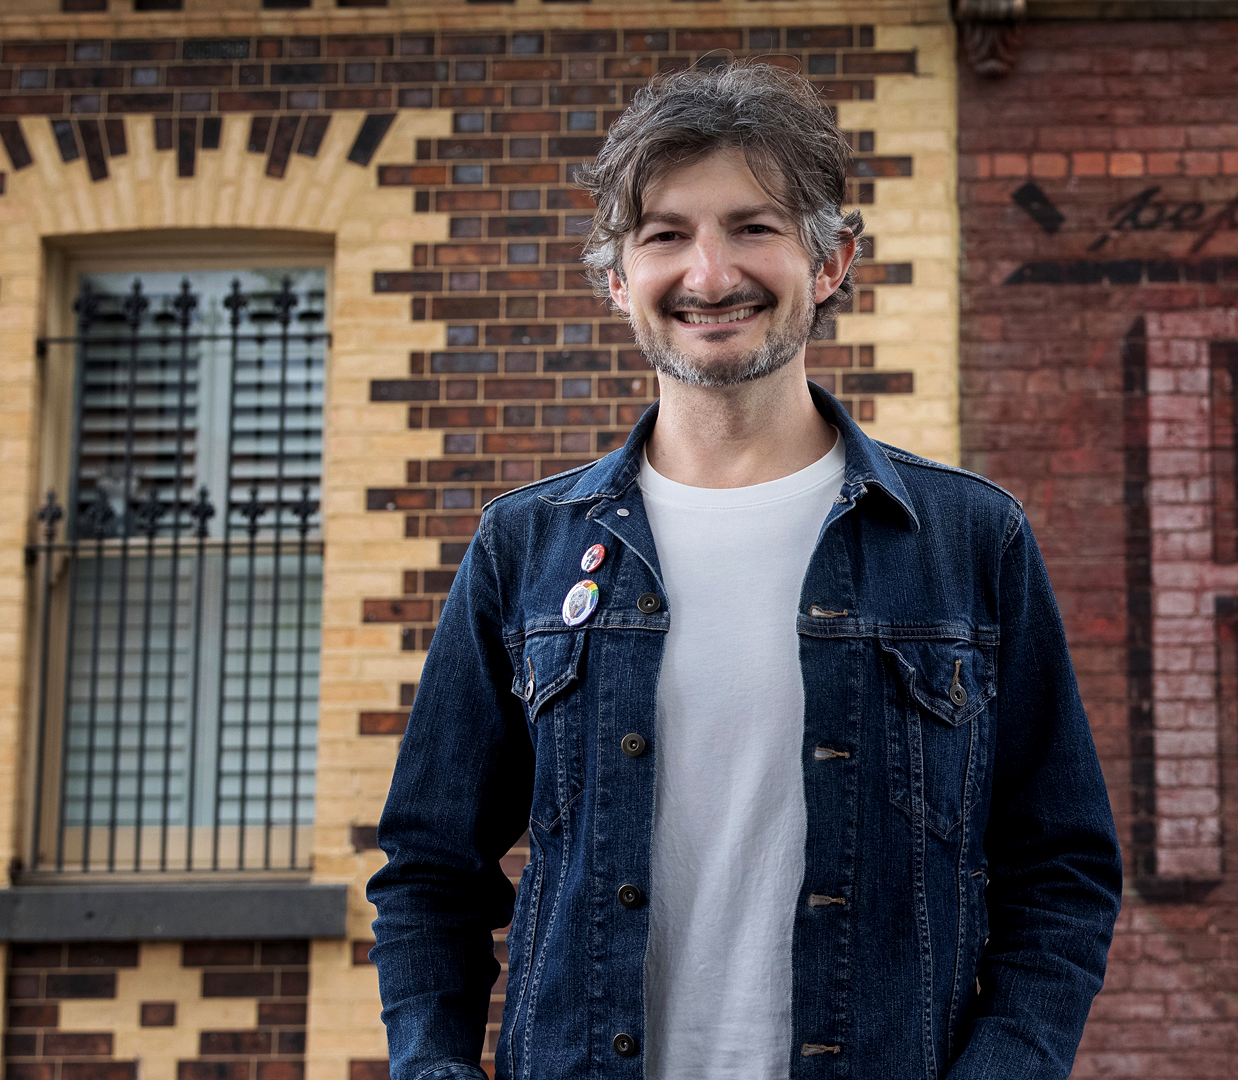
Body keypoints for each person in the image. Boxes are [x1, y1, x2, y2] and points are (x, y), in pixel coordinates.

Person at [366, 60, 1123, 1080]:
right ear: (616, 276)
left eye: (753, 227)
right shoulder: (525, 546)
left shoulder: (967, 539)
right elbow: (429, 873)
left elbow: (1061, 873)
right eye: (665, 234)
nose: (710, 273)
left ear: (830, 260)